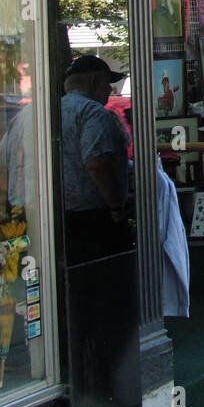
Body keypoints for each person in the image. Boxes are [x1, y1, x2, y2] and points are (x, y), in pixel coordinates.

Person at [60, 55, 132, 263]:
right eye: (107, 83)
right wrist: (117, 209)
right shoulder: (92, 112)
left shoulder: (44, 112)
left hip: (59, 218)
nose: (110, 90)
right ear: (93, 82)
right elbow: (97, 164)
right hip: (94, 221)